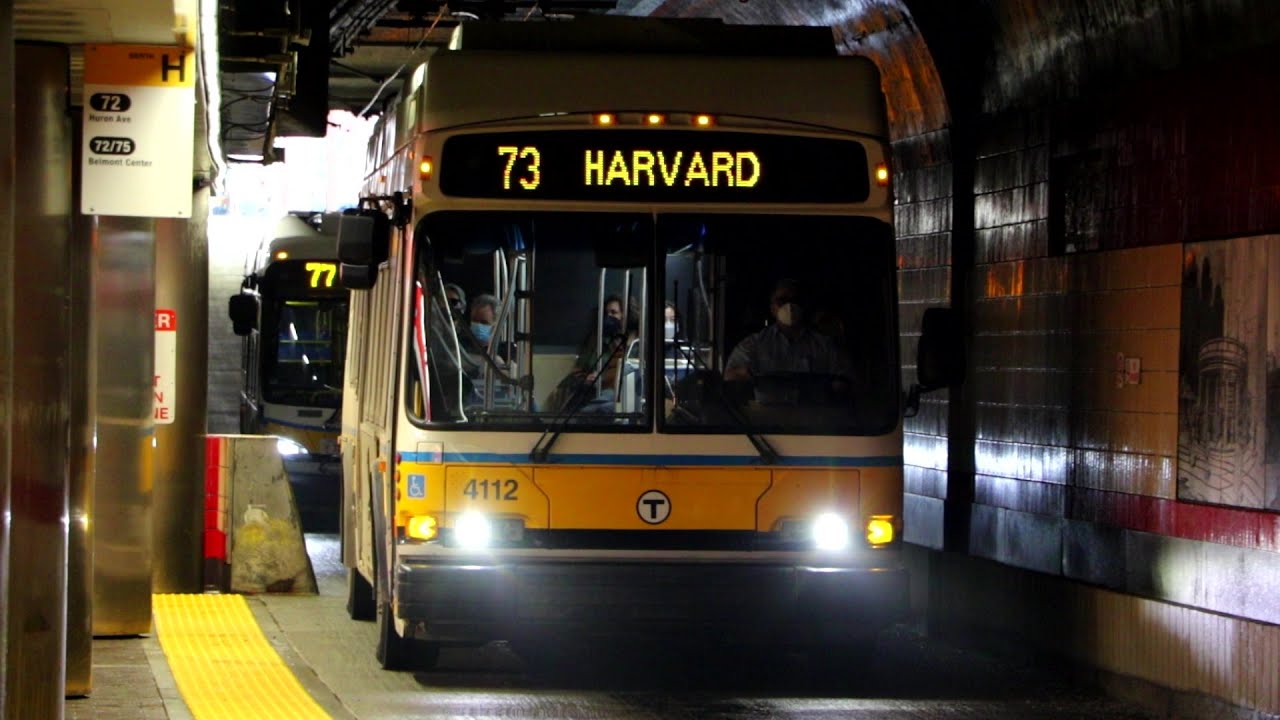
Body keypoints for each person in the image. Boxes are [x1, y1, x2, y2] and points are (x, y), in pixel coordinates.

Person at [723, 278, 851, 384]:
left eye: (795, 301)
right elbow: (730, 376)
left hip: (811, 412)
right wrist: (743, 374)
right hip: (766, 414)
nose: (789, 306)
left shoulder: (824, 345)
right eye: (782, 301)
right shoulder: (754, 344)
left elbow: (847, 377)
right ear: (772, 308)